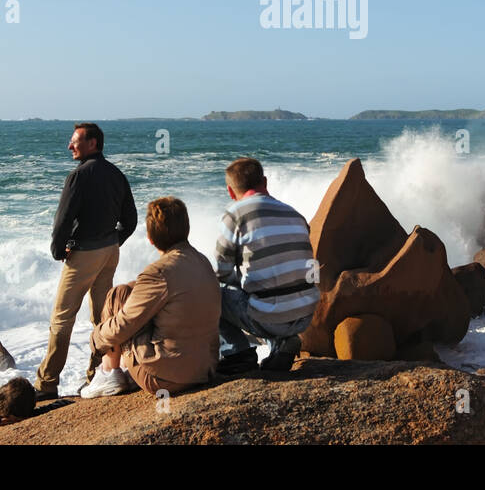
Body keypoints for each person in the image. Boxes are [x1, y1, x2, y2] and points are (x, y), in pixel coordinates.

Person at [35, 122, 138, 400]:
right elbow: (131, 219)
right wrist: (115, 240)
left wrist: (59, 251)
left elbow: (63, 220)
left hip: (85, 254)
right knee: (102, 317)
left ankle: (46, 384)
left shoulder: (78, 176)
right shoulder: (116, 174)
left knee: (62, 318)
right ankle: (99, 375)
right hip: (109, 251)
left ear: (93, 144)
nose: (70, 146)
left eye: (75, 141)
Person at [82, 197, 221, 397]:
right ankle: (117, 370)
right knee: (125, 291)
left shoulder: (159, 273)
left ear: (150, 238)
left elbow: (123, 324)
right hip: (205, 368)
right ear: (186, 228)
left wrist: (96, 339)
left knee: (116, 296)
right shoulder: (202, 261)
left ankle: (109, 373)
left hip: (165, 378)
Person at [215, 157, 320, 373]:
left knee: (210, 291)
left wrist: (240, 281)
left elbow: (219, 272)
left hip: (269, 316)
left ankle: (237, 353)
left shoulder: (234, 215)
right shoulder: (295, 215)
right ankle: (281, 344)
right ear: (264, 181)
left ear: (230, 191)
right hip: (305, 313)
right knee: (269, 285)